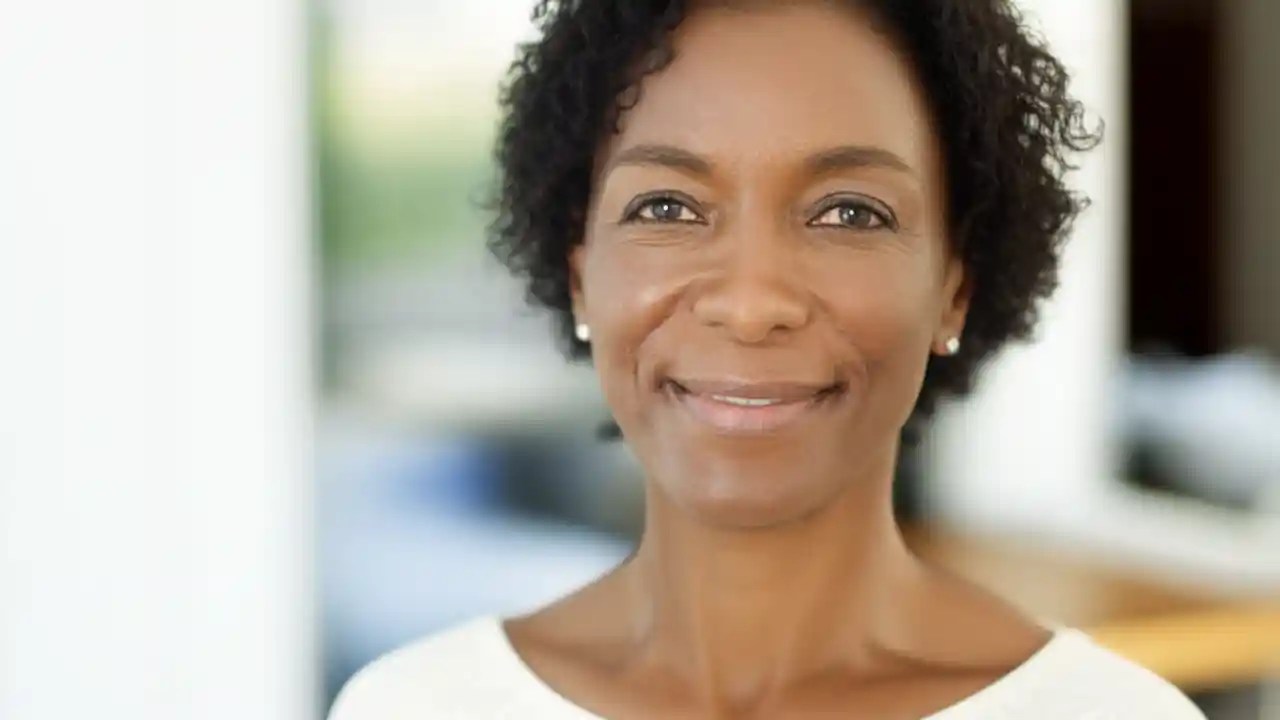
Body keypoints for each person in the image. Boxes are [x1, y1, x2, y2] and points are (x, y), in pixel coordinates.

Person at [330, 0, 1207, 717]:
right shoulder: (415, 706)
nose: (751, 305)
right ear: (579, 271)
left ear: (954, 285)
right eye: (668, 206)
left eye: (849, 213)